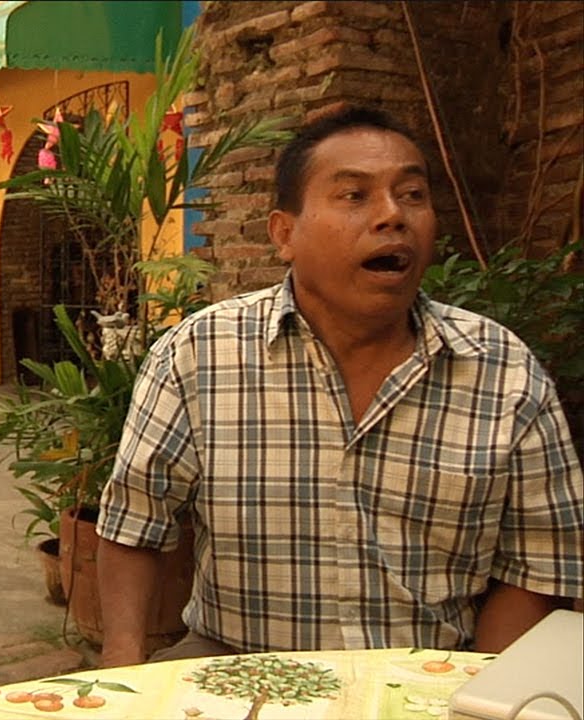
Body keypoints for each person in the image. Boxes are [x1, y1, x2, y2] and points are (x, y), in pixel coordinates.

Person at [95, 105, 583, 667]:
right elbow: (136, 522)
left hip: (428, 672)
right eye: (355, 196)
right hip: (235, 667)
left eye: (413, 195)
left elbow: (535, 565)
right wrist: (123, 668)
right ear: (285, 234)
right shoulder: (199, 355)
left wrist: (475, 692)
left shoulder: (503, 372)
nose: (392, 216)